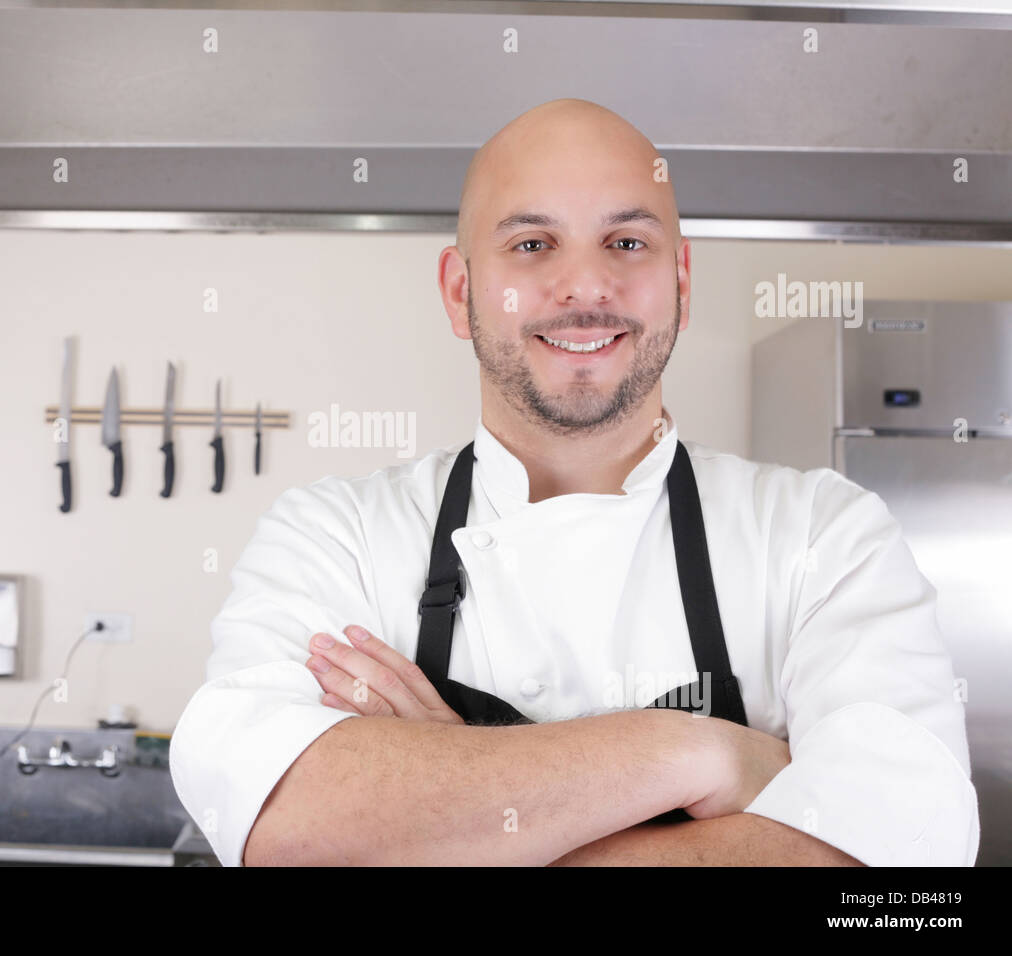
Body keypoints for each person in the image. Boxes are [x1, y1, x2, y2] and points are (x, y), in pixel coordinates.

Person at [168, 98, 978, 867]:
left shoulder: (824, 536)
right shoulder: (333, 534)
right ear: (460, 292)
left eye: (627, 242)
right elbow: (281, 822)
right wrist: (701, 754)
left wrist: (445, 800)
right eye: (532, 245)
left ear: (682, 283)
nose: (586, 288)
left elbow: (903, 881)